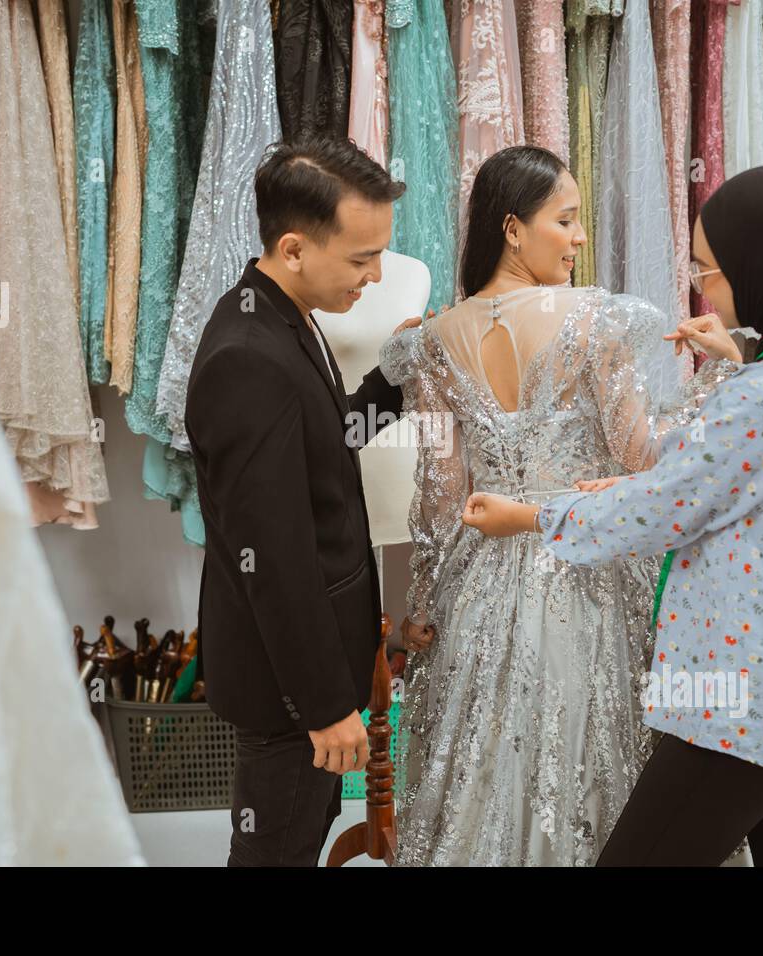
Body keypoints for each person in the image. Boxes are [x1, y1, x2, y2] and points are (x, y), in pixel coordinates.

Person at [463, 164, 763, 866]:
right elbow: (736, 475)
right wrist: (737, 355)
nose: (703, 287)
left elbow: (666, 507)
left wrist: (530, 515)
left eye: (713, 271)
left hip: (749, 704)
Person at [380, 145, 742, 865]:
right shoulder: (595, 321)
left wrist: (421, 604)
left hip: (480, 583)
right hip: (587, 568)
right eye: (567, 221)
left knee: (483, 766)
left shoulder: (432, 340)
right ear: (513, 228)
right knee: (595, 759)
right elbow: (643, 454)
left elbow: (442, 494)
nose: (580, 238)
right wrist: (721, 381)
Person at [184, 136, 423, 866]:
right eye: (361, 259)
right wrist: (324, 708)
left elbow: (325, 439)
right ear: (292, 248)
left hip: (308, 677)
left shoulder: (282, 313)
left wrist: (396, 376)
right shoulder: (247, 359)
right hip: (291, 694)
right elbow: (277, 559)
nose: (376, 276)